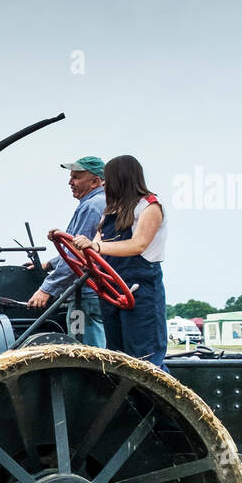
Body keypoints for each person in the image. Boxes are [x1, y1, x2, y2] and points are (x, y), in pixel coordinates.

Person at [71, 155, 168, 369]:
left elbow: (138, 245)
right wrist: (83, 248)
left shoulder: (149, 206)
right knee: (117, 355)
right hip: (113, 288)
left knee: (145, 356)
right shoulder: (112, 210)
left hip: (141, 289)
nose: (105, 185)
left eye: (109, 179)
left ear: (121, 179)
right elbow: (98, 239)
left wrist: (95, 247)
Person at [27, 156, 107, 346]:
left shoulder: (92, 206)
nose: (70, 182)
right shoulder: (97, 203)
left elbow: (78, 256)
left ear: (95, 181)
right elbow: (76, 249)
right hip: (91, 294)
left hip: (84, 297)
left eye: (76, 177)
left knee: (85, 352)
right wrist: (49, 264)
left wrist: (47, 289)